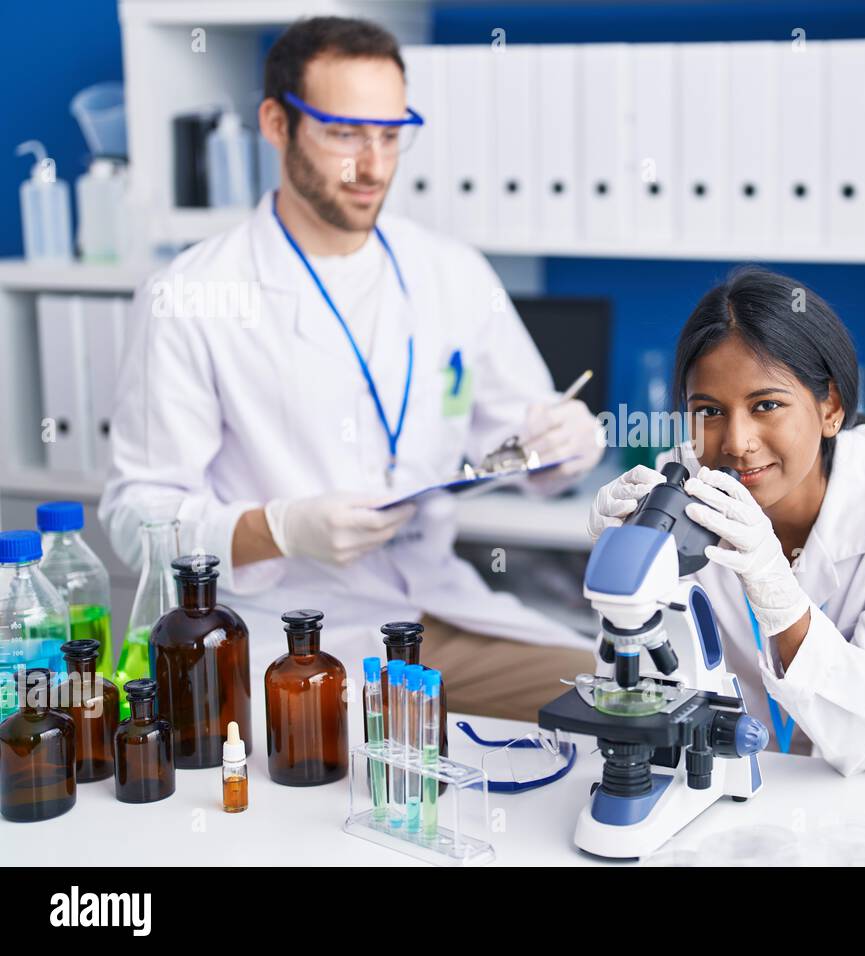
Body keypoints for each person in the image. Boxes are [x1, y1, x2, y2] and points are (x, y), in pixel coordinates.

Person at [100, 16, 602, 720]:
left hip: (437, 613)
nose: (374, 166)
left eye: (390, 135)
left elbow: (526, 443)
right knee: (345, 790)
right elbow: (137, 516)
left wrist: (566, 442)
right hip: (288, 636)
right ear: (276, 123)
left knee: (624, 709)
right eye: (344, 134)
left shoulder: (450, 271)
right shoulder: (190, 295)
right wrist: (277, 529)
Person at [588, 267, 865, 774]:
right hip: (789, 735)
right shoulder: (680, 488)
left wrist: (779, 598)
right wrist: (622, 571)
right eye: (709, 412)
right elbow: (650, 684)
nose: (736, 442)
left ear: (830, 407)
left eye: (766, 405)